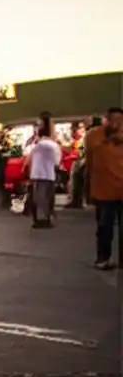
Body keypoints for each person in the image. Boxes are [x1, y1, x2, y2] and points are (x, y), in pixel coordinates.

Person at [85, 107, 123, 269]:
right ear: (106, 119)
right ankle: (102, 258)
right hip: (103, 191)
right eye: (113, 119)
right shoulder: (94, 136)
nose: (117, 123)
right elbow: (90, 162)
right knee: (104, 227)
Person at [24, 126, 62, 228]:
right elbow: (57, 163)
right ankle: (46, 219)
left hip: (36, 175)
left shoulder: (35, 147)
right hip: (49, 175)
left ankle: (38, 220)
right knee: (47, 198)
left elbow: (28, 161)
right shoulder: (54, 146)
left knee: (37, 197)